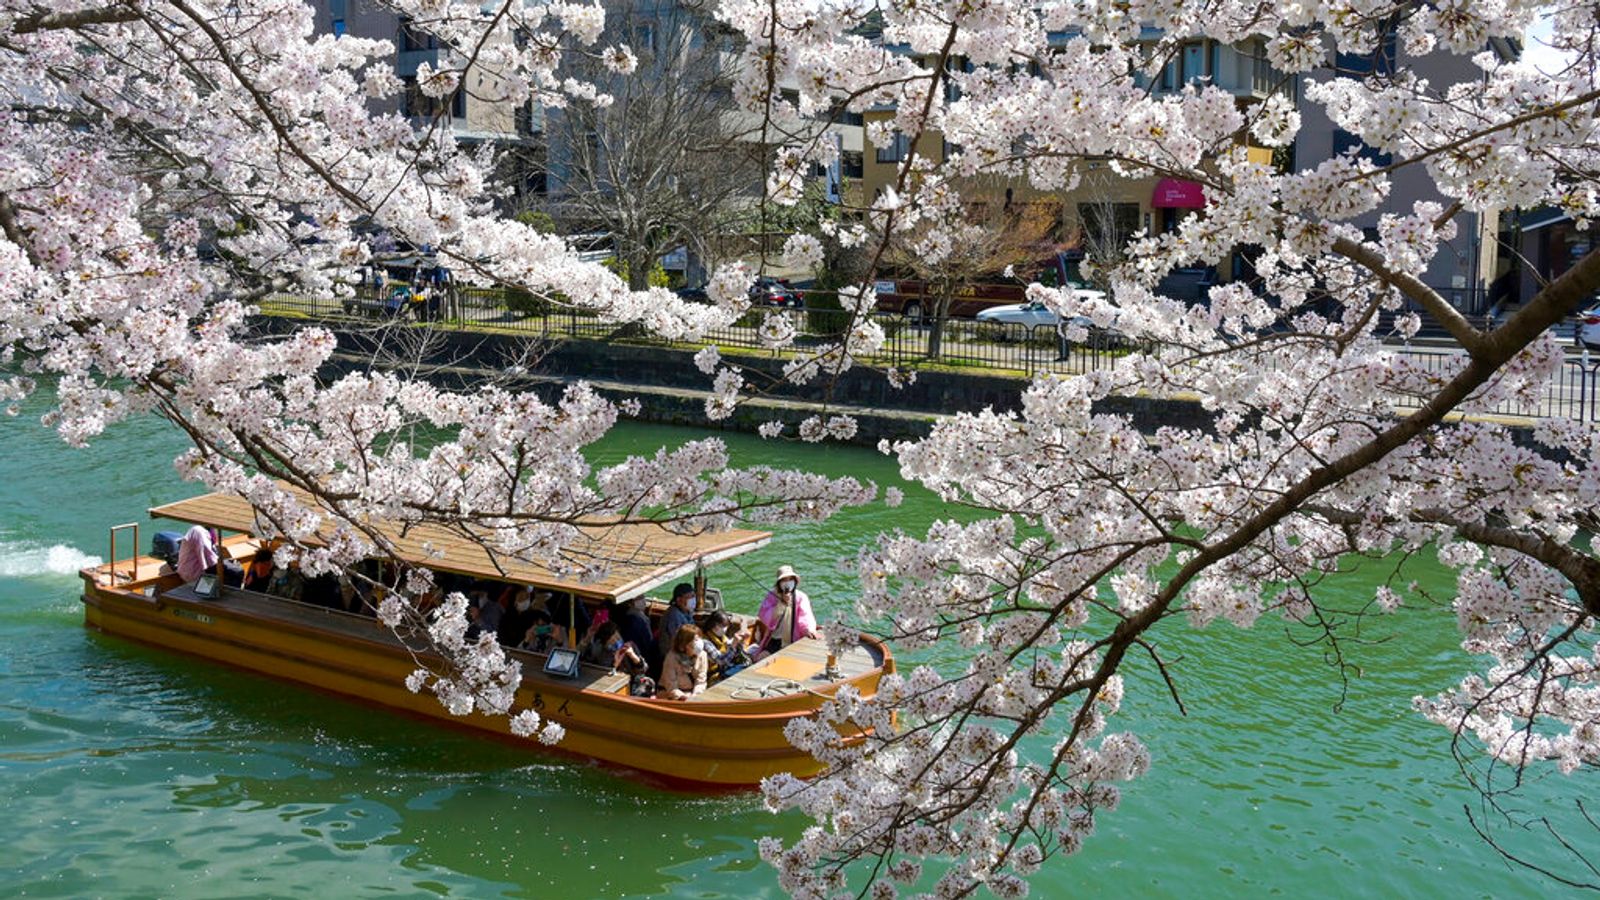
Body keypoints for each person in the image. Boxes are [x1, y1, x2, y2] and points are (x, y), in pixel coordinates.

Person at [755, 565, 817, 656]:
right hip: (775, 638)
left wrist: (808, 629)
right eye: (784, 580)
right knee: (762, 658)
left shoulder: (801, 597)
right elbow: (765, 616)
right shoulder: (772, 595)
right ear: (779, 583)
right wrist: (781, 603)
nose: (788, 582)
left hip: (793, 640)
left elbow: (805, 615)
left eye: (790, 579)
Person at [658, 624, 708, 701]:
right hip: (671, 695)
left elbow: (701, 680)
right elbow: (671, 686)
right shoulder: (672, 657)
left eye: (699, 639)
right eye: (695, 640)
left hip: (692, 694)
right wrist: (683, 697)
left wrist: (695, 696)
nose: (698, 642)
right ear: (684, 644)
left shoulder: (702, 655)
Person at [661, 582, 696, 648]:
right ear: (679, 600)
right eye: (690, 597)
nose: (693, 599)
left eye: (693, 596)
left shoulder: (687, 610)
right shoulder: (674, 616)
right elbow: (680, 641)